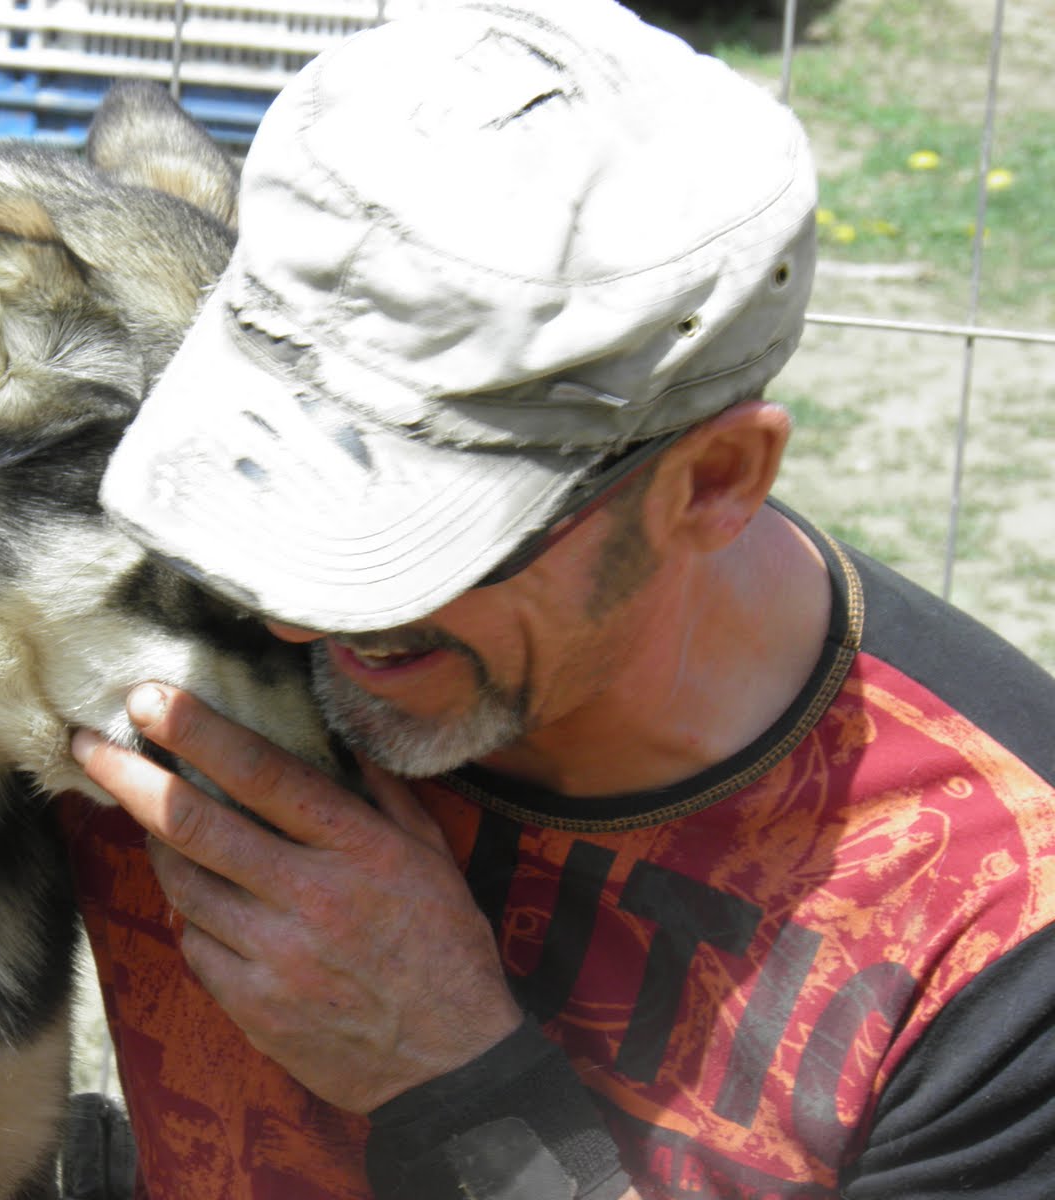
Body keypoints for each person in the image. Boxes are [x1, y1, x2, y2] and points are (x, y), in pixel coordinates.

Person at [59, 1, 1055, 1196]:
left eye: (418, 533)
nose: (289, 619)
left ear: (715, 481)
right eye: (270, 473)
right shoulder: (126, 613)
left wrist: (458, 1083)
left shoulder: (1003, 939)